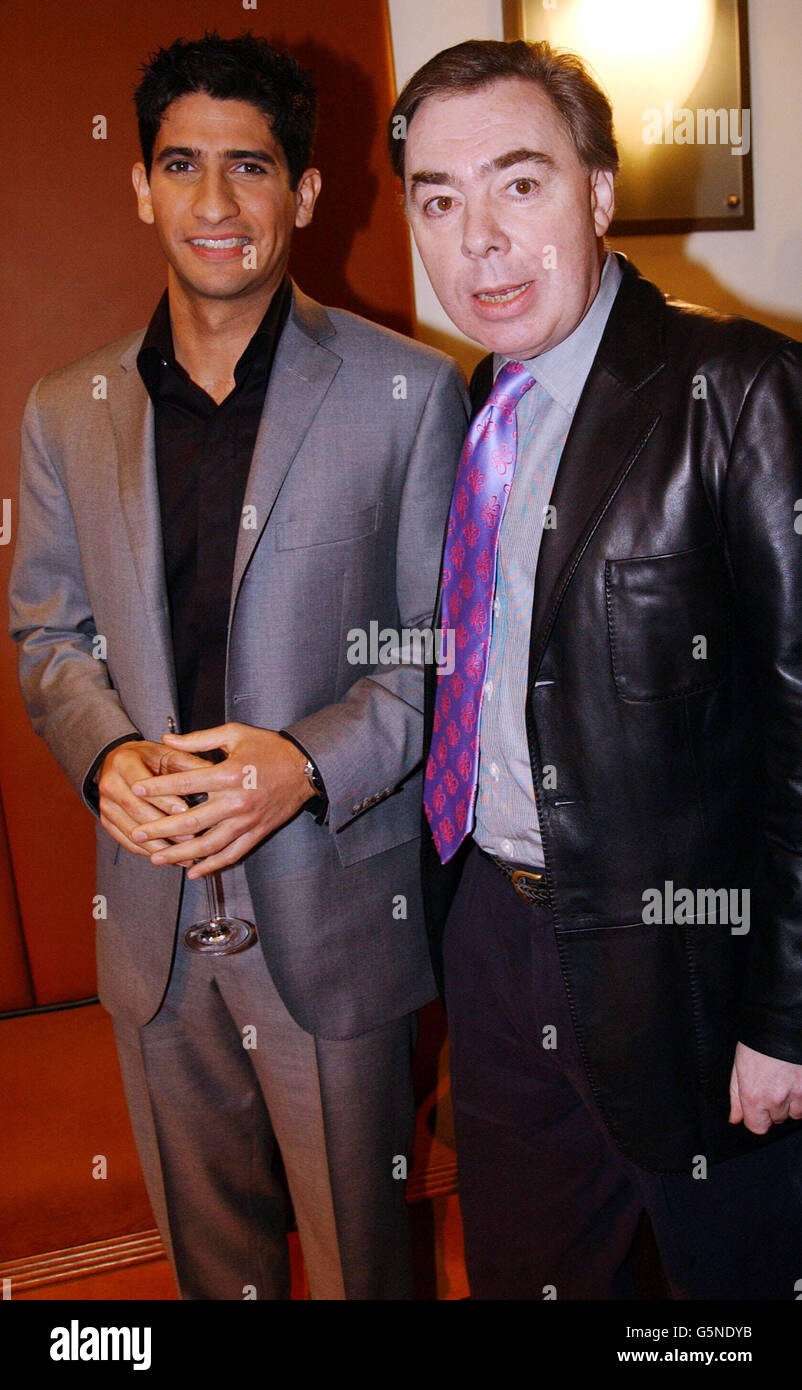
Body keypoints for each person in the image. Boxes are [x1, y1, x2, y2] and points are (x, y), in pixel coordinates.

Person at [8, 31, 467, 1300]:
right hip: (150, 928)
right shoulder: (64, 410)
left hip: (333, 919)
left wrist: (303, 765)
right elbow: (48, 632)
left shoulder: (411, 393)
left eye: (251, 168)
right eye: (183, 165)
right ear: (141, 184)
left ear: (304, 194)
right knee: (213, 1275)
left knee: (366, 1268)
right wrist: (103, 755)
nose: (216, 205)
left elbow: (440, 650)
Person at [387, 38, 802, 1300]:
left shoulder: (739, 388)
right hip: (496, 944)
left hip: (690, 962)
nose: (479, 244)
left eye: (519, 185)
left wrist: (786, 1017)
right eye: (438, 201)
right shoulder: (468, 408)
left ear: (599, 192)